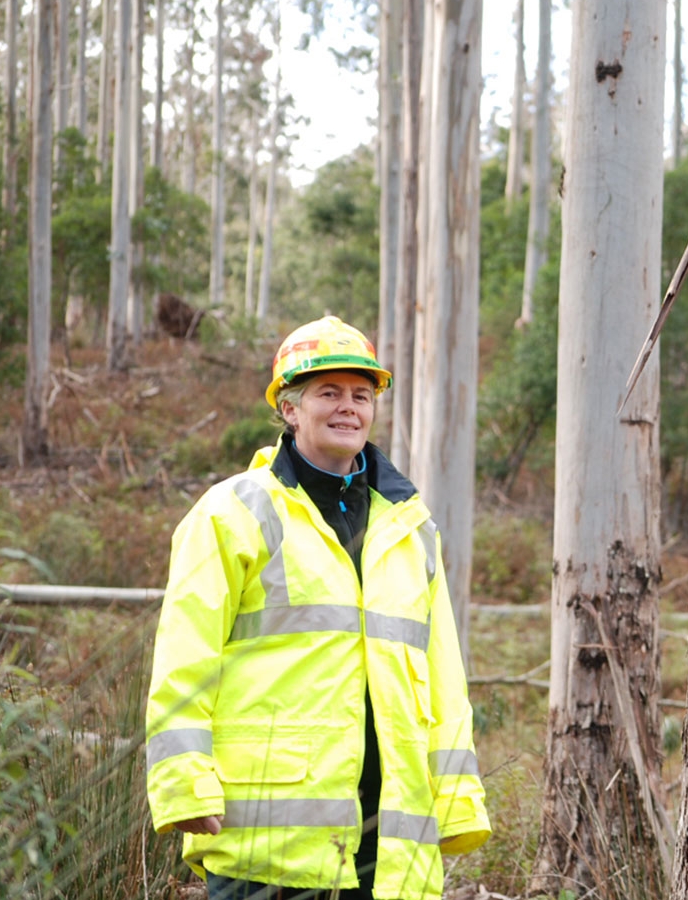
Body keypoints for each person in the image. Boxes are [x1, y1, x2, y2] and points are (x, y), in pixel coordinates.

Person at [144, 316, 490, 900]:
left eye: (362, 394)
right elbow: (185, 659)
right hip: (266, 845)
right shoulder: (231, 513)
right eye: (328, 393)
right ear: (289, 408)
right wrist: (183, 787)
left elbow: (443, 679)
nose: (348, 407)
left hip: (389, 845)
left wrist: (456, 803)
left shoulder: (409, 526)